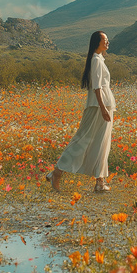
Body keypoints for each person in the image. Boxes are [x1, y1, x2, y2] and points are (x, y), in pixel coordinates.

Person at [48, 30, 115, 193]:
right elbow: (97, 87)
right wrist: (104, 108)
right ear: (96, 42)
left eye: (107, 40)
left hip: (102, 105)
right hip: (99, 106)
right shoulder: (96, 60)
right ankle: (57, 172)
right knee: (83, 140)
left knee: (102, 142)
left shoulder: (99, 59)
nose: (107, 42)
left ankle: (100, 182)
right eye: (104, 40)